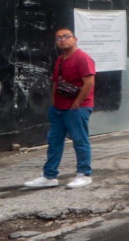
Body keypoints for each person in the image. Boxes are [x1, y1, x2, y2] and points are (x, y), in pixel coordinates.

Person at [24, 28, 96, 189]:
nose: (62, 40)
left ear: (75, 39)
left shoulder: (82, 58)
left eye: (66, 37)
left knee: (80, 141)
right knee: (54, 142)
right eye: (58, 38)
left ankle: (84, 174)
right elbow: (55, 82)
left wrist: (77, 103)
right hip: (58, 109)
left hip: (77, 108)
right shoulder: (61, 59)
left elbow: (89, 82)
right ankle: (49, 176)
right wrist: (54, 103)